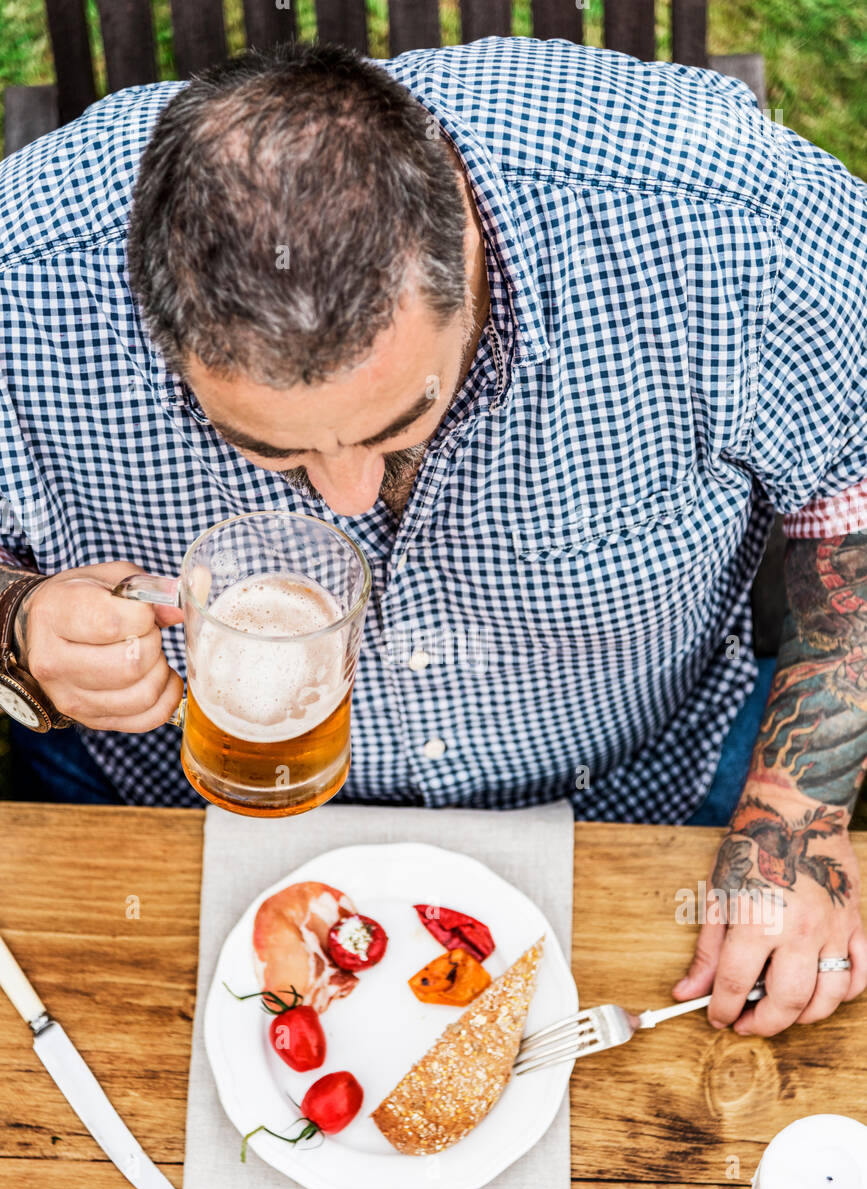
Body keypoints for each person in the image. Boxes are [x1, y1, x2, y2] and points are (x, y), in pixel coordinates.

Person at [1, 37, 865, 1036]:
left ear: (468, 245)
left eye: (396, 424)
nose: (347, 489)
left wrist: (796, 827)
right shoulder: (28, 268)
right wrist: (19, 625)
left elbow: (854, 484)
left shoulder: (720, 217)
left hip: (646, 799)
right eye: (264, 449)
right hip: (174, 820)